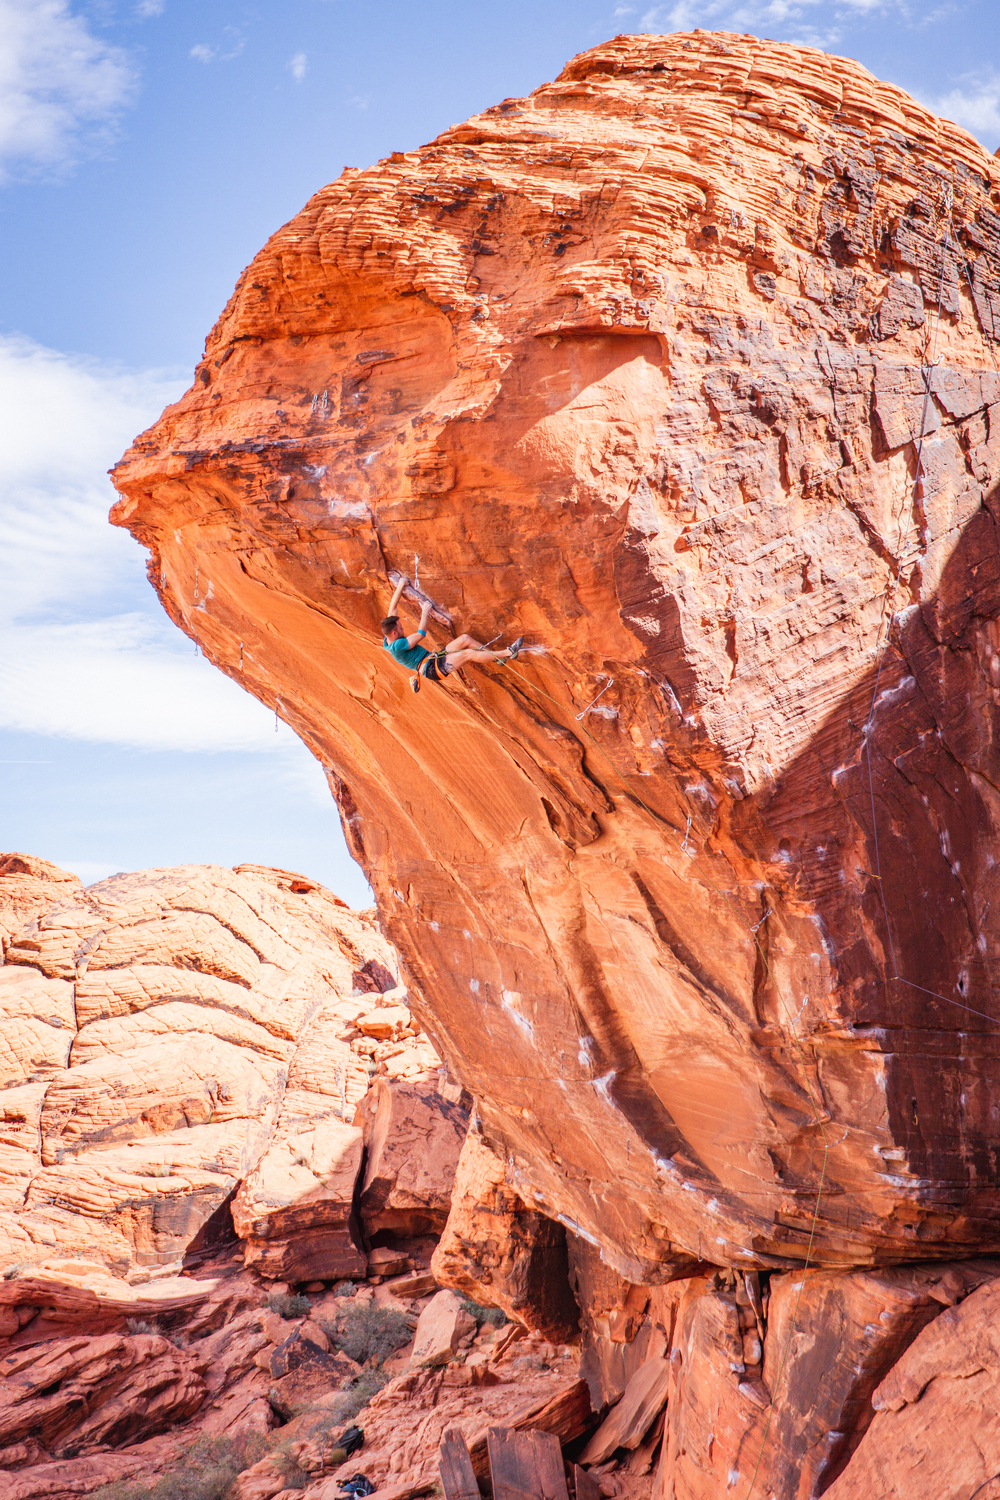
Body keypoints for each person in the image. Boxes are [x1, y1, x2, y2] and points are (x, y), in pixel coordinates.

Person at [380, 575, 522, 692]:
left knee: (465, 639)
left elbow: (392, 608)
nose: (403, 629)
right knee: (468, 654)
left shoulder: (389, 636)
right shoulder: (397, 646)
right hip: (432, 669)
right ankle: (508, 652)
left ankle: (497, 658)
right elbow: (421, 634)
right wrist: (425, 611)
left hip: (434, 659)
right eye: (400, 629)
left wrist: (401, 585)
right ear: (394, 633)